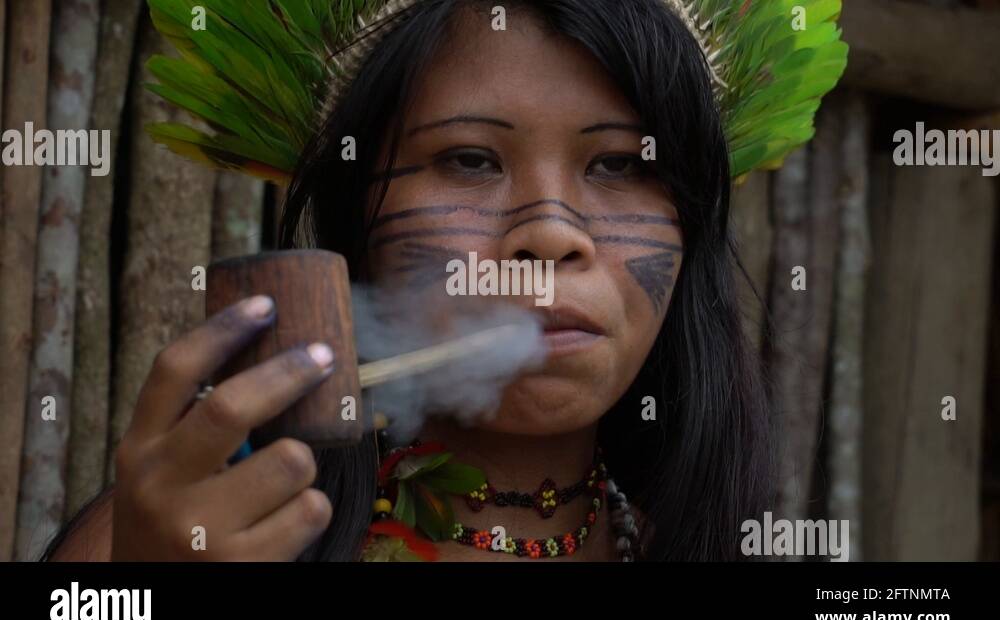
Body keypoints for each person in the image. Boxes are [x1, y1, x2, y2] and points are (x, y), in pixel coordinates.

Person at [43, 0, 848, 562]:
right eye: (468, 159)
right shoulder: (176, 541)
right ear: (356, 214)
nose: (553, 235)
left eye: (619, 164)